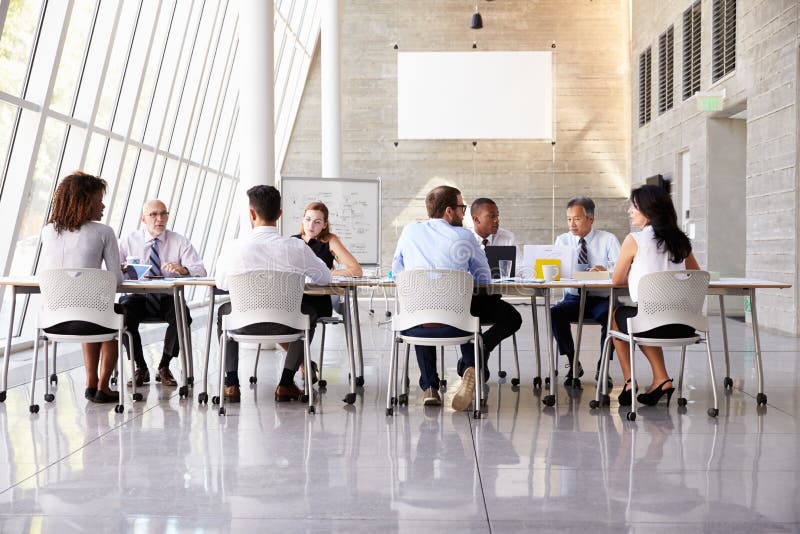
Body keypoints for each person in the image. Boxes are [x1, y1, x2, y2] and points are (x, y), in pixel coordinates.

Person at [392, 185, 522, 411]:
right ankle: (471, 366)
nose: (464, 214)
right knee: (468, 310)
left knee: (421, 310)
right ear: (449, 211)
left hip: (415, 325)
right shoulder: (464, 236)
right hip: (458, 324)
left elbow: (397, 269)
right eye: (462, 208)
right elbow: (485, 277)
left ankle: (430, 388)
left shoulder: (409, 231)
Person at [214, 185, 331, 403]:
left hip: (243, 323)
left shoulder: (234, 247)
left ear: (251, 214)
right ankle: (286, 384)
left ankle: (231, 385)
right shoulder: (297, 247)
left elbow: (221, 283)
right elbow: (325, 278)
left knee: (223, 312)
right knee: (309, 313)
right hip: (288, 324)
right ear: (279, 214)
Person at [611, 184, 700, 406]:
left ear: (649, 210)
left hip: (651, 322)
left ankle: (630, 381)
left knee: (617, 316)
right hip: (685, 324)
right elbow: (696, 275)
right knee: (647, 317)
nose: (630, 211)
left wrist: (635, 269)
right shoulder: (681, 241)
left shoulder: (635, 240)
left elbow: (617, 281)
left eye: (634, 207)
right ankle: (661, 380)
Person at [39, 172, 124, 403]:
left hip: (54, 321)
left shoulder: (48, 231)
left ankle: (90, 383)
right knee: (109, 316)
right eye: (99, 199)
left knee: (94, 312)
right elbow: (115, 279)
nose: (103, 205)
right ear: (85, 202)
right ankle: (103, 386)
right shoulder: (104, 232)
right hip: (93, 320)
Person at [118, 200, 206, 388]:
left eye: (163, 214)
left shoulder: (179, 241)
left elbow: (200, 270)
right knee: (121, 316)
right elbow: (109, 268)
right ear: (143, 219)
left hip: (166, 297)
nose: (159, 219)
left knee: (182, 315)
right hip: (137, 298)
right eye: (153, 214)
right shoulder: (129, 241)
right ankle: (141, 366)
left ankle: (164, 365)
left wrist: (183, 269)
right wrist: (123, 269)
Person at [550, 197, 621, 387]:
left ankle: (603, 365)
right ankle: (572, 362)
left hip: (602, 300)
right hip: (574, 298)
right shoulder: (562, 240)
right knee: (555, 313)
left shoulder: (608, 239)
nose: (572, 224)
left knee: (611, 316)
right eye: (568, 219)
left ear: (591, 219)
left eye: (577, 219)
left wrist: (604, 271)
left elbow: (622, 271)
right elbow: (554, 271)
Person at [292, 201, 362, 381]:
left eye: (317, 222)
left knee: (305, 317)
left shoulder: (329, 241)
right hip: (294, 299)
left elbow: (356, 270)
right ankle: (305, 362)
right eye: (308, 219)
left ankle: (299, 368)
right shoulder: (292, 242)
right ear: (302, 220)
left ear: (324, 224)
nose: (311, 225)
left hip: (318, 301)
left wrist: (329, 273)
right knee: (278, 318)